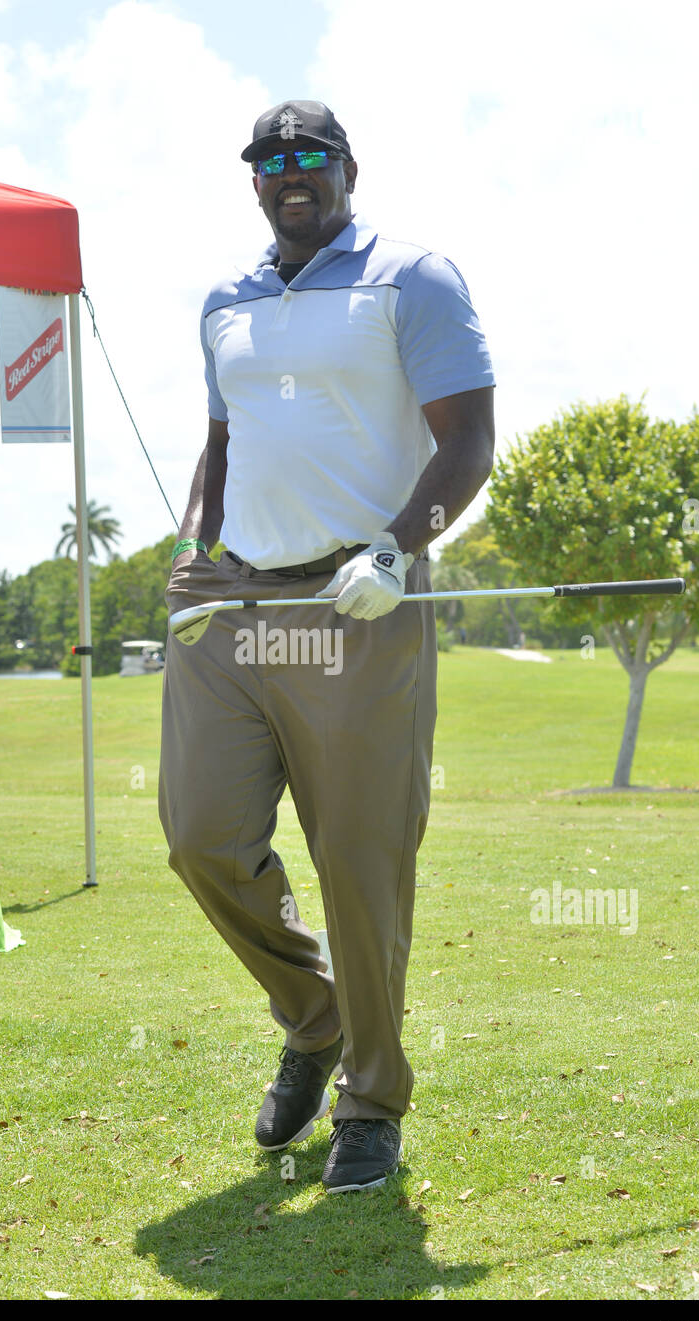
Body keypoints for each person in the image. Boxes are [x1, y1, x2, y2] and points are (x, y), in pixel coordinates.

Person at [158, 100, 495, 1194]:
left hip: (359, 601)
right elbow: (219, 441)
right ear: (252, 180)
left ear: (348, 169)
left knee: (361, 865)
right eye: (270, 159)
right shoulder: (226, 303)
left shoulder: (414, 276)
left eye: (311, 157)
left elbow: (469, 438)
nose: (290, 172)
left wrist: (399, 550)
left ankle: (371, 1098)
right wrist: (194, 548)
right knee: (201, 834)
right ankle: (315, 1018)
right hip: (236, 609)